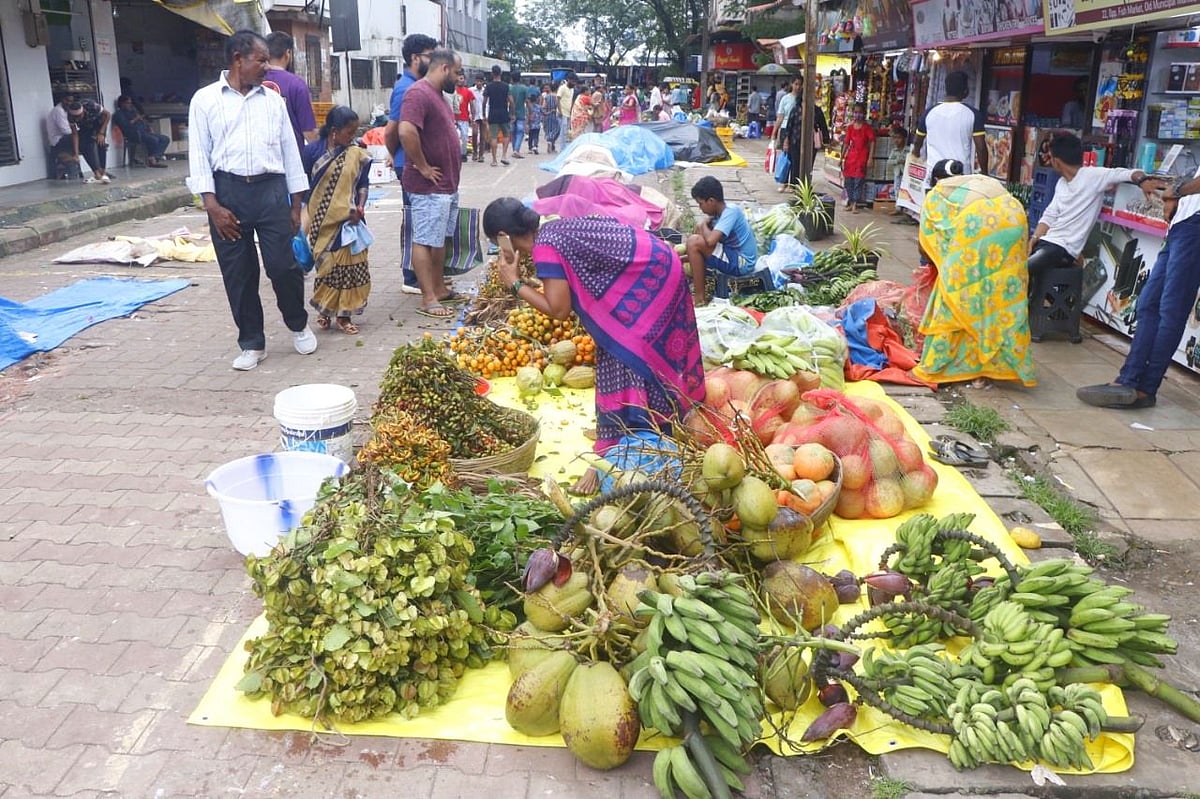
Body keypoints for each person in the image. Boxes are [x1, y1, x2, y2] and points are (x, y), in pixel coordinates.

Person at [483, 196, 706, 454]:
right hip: (661, 263)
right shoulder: (552, 229)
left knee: (625, 351)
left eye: (495, 243)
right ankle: (645, 428)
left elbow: (558, 309)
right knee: (628, 353)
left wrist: (514, 282)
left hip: (652, 276)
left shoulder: (545, 246)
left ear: (503, 236)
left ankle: (629, 439)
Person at [187, 29, 314, 371]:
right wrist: (212, 207)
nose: (266, 68)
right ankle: (252, 342)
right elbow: (199, 157)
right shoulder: (205, 100)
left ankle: (298, 323)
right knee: (238, 272)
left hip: (270, 190)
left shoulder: (273, 100)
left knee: (282, 266)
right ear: (237, 59)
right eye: (260, 60)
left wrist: (296, 204)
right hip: (227, 194)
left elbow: (291, 153)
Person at [1077, 165, 1200, 409]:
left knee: (1170, 310)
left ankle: (1145, 389)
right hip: (1182, 225)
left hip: (1195, 227)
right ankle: (1128, 381)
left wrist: (1176, 192)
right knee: (1148, 305)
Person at [912, 159, 1036, 388]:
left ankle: (941, 365)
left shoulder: (938, 193)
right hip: (1014, 216)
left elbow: (925, 245)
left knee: (958, 295)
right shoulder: (978, 181)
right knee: (999, 297)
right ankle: (990, 367)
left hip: (980, 224)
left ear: (937, 179)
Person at [1028, 133, 1163, 290]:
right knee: (1018, 266)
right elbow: (1049, 215)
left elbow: (1126, 173)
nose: (1049, 161)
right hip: (1048, 243)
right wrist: (1035, 237)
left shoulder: (1092, 175)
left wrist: (1143, 181)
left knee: (1021, 271)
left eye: (1050, 157)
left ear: (1057, 161)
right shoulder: (1062, 183)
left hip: (1063, 249)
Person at [399, 49, 465, 318]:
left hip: (446, 186)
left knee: (439, 239)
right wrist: (423, 166)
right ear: (445, 68)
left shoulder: (437, 96)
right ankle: (428, 298)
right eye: (458, 72)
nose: (460, 78)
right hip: (428, 187)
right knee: (425, 240)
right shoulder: (418, 93)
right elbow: (405, 130)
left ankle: (438, 289)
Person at [300, 105, 372, 335]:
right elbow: (302, 186)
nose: (353, 136)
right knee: (328, 267)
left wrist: (360, 205)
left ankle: (344, 315)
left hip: (350, 220)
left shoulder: (356, 153)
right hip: (321, 221)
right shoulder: (313, 152)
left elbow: (363, 183)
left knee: (351, 267)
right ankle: (325, 310)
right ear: (333, 131)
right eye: (349, 132)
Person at [384, 33, 438, 294]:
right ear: (415, 58)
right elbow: (393, 130)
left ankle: (424, 273)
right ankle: (411, 276)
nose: (435, 60)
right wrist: (399, 159)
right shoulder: (406, 88)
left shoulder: (421, 85)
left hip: (416, 164)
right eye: (430, 55)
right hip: (411, 166)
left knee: (424, 220)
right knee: (414, 221)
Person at [685, 176, 759, 306]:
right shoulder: (717, 216)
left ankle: (699, 299)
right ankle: (699, 293)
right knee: (695, 240)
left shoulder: (731, 212)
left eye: (700, 203)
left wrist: (703, 225)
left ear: (711, 201)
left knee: (693, 242)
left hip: (742, 262)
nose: (700, 208)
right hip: (731, 256)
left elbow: (710, 241)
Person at [912, 71, 988, 178]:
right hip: (961, 176)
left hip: (934, 175)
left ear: (945, 90)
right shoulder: (973, 114)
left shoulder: (929, 113)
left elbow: (917, 142)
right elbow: (981, 147)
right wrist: (985, 173)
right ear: (965, 91)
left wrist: (915, 155)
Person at [264, 31, 318, 153]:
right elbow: (309, 132)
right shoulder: (296, 84)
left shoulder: (252, 82)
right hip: (290, 158)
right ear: (288, 53)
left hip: (259, 158)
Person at [783, 80, 830, 188]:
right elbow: (789, 126)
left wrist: (827, 141)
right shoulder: (795, 110)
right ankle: (794, 186)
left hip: (811, 143)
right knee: (795, 164)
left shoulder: (817, 110)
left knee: (808, 165)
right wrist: (786, 141)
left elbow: (823, 126)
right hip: (795, 141)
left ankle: (805, 186)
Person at [112, 94, 170, 167]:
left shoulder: (132, 111)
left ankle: (154, 157)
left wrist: (148, 127)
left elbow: (142, 121)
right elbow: (126, 126)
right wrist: (136, 119)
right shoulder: (118, 114)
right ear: (122, 103)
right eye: (128, 103)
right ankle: (152, 161)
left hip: (144, 131)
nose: (130, 105)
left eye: (130, 103)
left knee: (165, 139)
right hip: (134, 134)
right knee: (154, 140)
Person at [840, 103, 875, 213]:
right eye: (855, 112)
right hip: (850, 157)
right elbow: (846, 143)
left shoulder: (867, 128)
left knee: (858, 181)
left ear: (864, 114)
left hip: (862, 157)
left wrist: (870, 158)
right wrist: (841, 158)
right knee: (848, 181)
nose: (857, 115)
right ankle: (850, 202)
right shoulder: (850, 128)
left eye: (859, 112)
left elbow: (872, 142)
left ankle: (855, 204)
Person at [76, 99, 111, 183]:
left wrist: (101, 133)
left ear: (83, 111)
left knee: (100, 142)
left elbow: (108, 114)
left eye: (79, 116)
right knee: (84, 146)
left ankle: (102, 171)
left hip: (99, 122)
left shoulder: (91, 106)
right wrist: (76, 151)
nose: (78, 119)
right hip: (85, 127)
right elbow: (74, 134)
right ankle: (96, 172)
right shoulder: (70, 116)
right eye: (76, 118)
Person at [46, 97, 82, 179]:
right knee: (80, 138)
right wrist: (78, 132)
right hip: (58, 140)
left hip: (63, 139)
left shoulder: (66, 111)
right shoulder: (58, 111)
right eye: (67, 100)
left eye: (71, 101)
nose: (69, 103)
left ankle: (73, 159)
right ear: (62, 100)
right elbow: (66, 130)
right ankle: (72, 160)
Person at [484, 65, 512, 166]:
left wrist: (484, 113)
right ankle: (504, 156)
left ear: (492, 74)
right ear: (501, 73)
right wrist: (512, 113)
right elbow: (511, 101)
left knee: (493, 137)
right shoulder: (506, 86)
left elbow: (484, 102)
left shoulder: (489, 86)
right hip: (504, 113)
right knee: (506, 134)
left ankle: (494, 160)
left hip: (493, 113)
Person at [886, 126, 909, 213]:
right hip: (897, 173)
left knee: (906, 190)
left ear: (904, 138)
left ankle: (906, 209)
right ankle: (898, 208)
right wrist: (897, 161)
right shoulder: (894, 150)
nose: (896, 140)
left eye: (899, 138)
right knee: (897, 189)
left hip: (906, 174)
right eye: (894, 138)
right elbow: (889, 162)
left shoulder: (909, 150)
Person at [453, 73, 474, 162]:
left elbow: (472, 104)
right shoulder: (452, 90)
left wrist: (473, 116)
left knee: (465, 136)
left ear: (464, 80)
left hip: (464, 117)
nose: (460, 80)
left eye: (462, 78)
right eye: (459, 78)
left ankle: (463, 154)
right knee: (454, 137)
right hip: (453, 118)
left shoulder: (468, 92)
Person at [509, 72, 529, 158]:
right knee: (520, 132)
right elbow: (527, 101)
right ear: (520, 79)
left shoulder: (509, 88)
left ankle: (514, 149)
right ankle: (516, 150)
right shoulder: (524, 88)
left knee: (513, 132)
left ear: (512, 79)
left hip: (511, 113)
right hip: (521, 113)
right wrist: (530, 112)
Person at [472, 75, 489, 163]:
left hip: (483, 116)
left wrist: (486, 115)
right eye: (477, 81)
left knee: (483, 136)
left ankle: (481, 155)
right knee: (474, 133)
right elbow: (469, 103)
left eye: (480, 81)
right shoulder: (471, 90)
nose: (479, 83)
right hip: (474, 116)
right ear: (475, 81)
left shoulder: (485, 91)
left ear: (483, 82)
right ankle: (475, 152)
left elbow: (488, 104)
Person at [541, 83, 561, 153]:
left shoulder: (546, 97)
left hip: (547, 115)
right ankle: (551, 142)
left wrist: (546, 112)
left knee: (548, 130)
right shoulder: (557, 97)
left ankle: (551, 143)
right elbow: (558, 106)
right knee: (557, 130)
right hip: (555, 115)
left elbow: (543, 107)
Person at [526, 88, 542, 155]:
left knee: (530, 136)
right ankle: (535, 146)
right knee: (536, 136)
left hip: (530, 124)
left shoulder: (528, 107)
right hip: (537, 124)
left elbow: (527, 115)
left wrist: (526, 123)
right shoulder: (539, 107)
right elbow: (543, 113)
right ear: (536, 100)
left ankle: (530, 148)